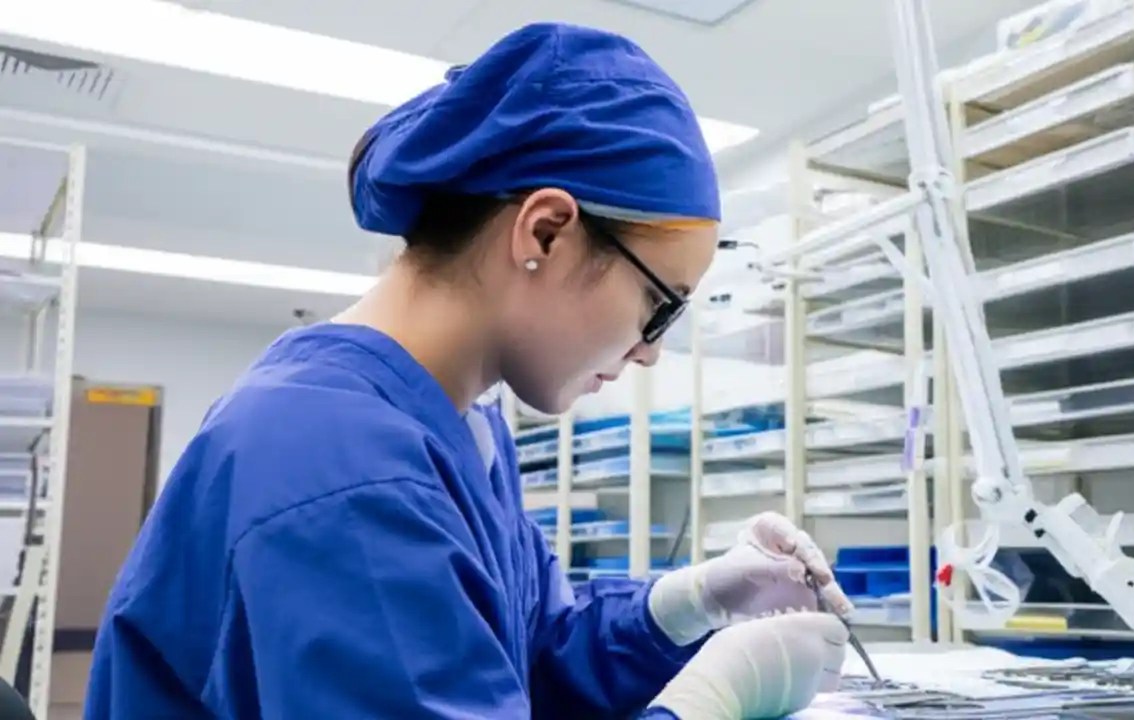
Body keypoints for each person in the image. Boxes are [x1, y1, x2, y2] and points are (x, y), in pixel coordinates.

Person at [84, 22, 849, 720]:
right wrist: (709, 703)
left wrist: (688, 602)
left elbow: (524, 656)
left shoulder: (463, 422)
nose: (650, 350)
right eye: (659, 304)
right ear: (545, 233)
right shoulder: (337, 461)